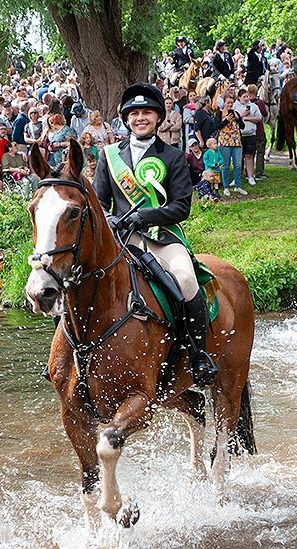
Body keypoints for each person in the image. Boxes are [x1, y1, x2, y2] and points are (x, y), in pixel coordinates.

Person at [91, 82, 218, 387]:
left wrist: (144, 215)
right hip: (122, 240)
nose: (140, 118)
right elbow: (98, 202)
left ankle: (198, 354)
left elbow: (181, 207)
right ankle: (68, 356)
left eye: (147, 112)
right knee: (78, 278)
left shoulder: (173, 156)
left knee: (186, 281)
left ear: (158, 117)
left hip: (163, 237)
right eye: (134, 114)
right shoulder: (110, 157)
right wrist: (112, 219)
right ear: (126, 119)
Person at [232, 88, 262, 186]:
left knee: (249, 155)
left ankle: (250, 176)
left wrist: (248, 118)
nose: (246, 98)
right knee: (238, 157)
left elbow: (259, 118)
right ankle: (236, 177)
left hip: (250, 134)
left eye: (247, 96)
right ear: (239, 97)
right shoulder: (235, 106)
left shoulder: (253, 106)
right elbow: (232, 119)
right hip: (238, 135)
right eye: (244, 97)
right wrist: (242, 115)